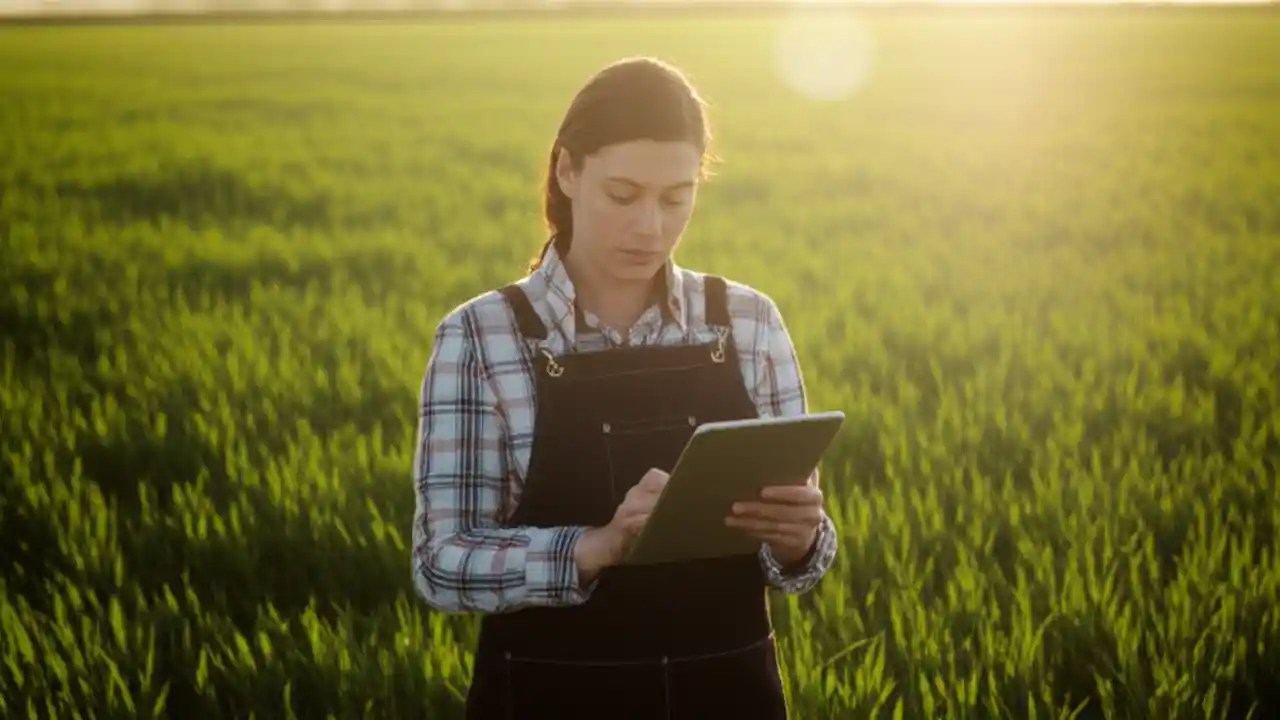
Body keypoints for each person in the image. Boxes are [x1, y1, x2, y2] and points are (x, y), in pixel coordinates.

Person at [410, 56, 838, 720]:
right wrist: (596, 547)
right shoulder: (481, 338)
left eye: (676, 197)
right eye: (623, 194)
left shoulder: (749, 323)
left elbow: (804, 561)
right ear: (567, 171)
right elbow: (441, 563)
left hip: (728, 696)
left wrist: (798, 539)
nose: (651, 228)